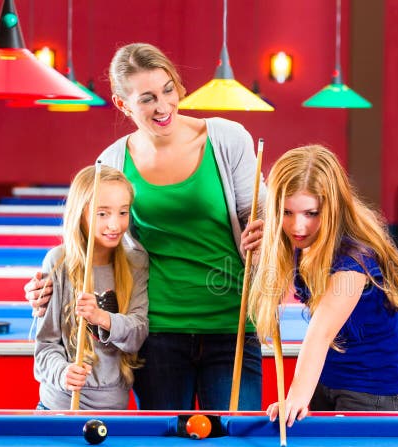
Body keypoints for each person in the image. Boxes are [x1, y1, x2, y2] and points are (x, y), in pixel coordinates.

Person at [25, 43, 265, 410]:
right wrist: (52, 282)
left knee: (236, 436)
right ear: (123, 104)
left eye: (168, 90)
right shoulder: (112, 161)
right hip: (156, 331)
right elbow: (92, 244)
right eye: (148, 99)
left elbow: (264, 219)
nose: (163, 106)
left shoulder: (228, 139)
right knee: (166, 440)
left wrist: (267, 235)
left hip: (233, 324)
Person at [249, 145, 398, 426]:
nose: (297, 226)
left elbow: (321, 333)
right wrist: (258, 257)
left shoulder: (354, 258)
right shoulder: (302, 239)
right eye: (287, 212)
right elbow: (269, 291)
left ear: (332, 207)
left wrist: (295, 397)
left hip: (373, 388)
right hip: (328, 376)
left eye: (311, 213)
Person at [34, 165, 149, 410]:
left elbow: (137, 336)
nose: (115, 225)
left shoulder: (136, 263)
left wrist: (102, 318)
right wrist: (62, 373)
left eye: (123, 212)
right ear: (81, 213)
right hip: (60, 407)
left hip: (113, 409)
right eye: (102, 213)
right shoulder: (58, 262)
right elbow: (44, 349)